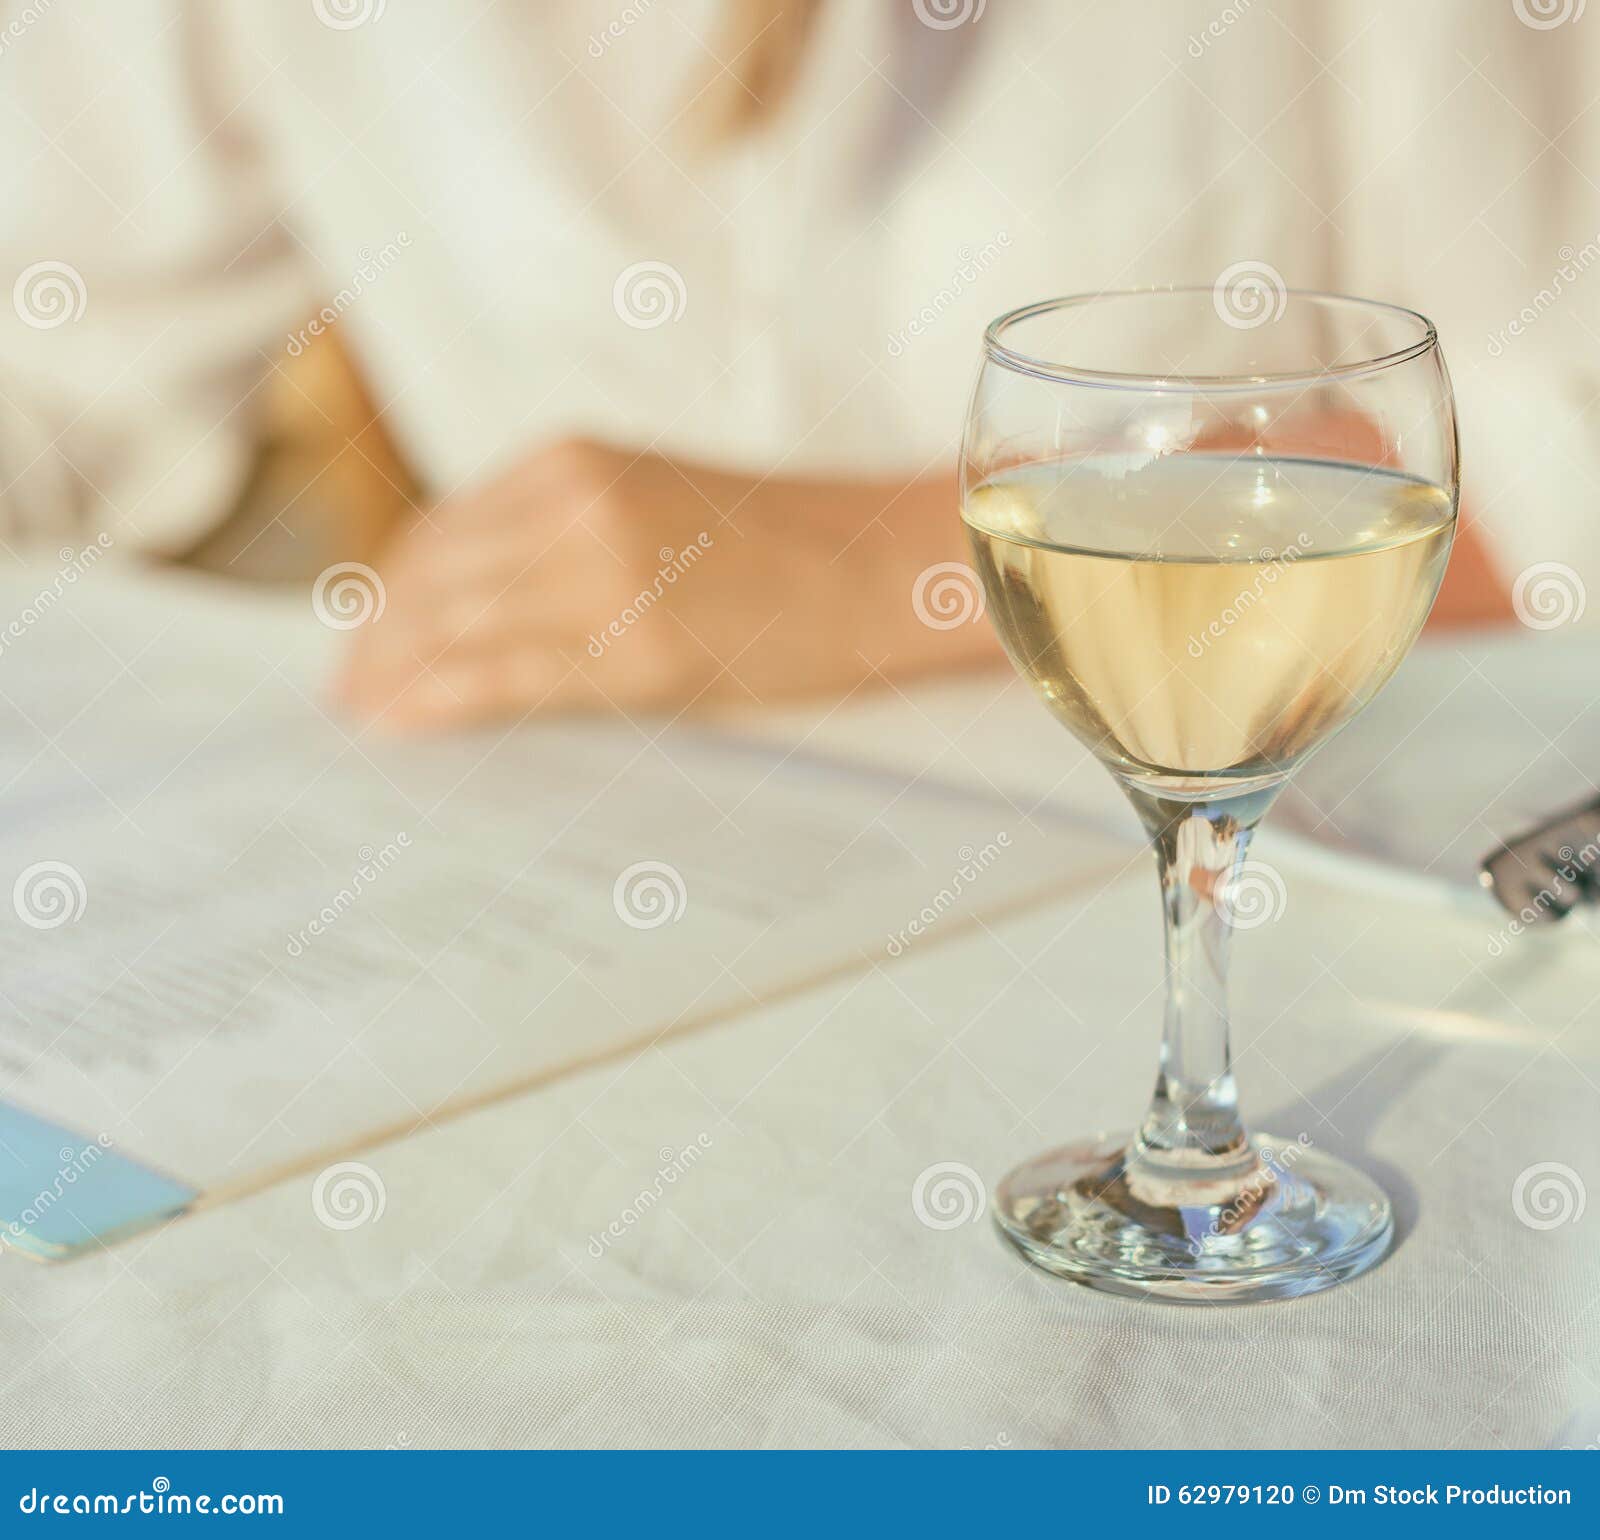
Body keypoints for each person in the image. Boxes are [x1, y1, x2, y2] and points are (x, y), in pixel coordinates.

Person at [5, 1, 1581, 734]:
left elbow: (1556, 472)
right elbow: (62, 377)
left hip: (1285, 909)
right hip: (582, 931)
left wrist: (912, 572)